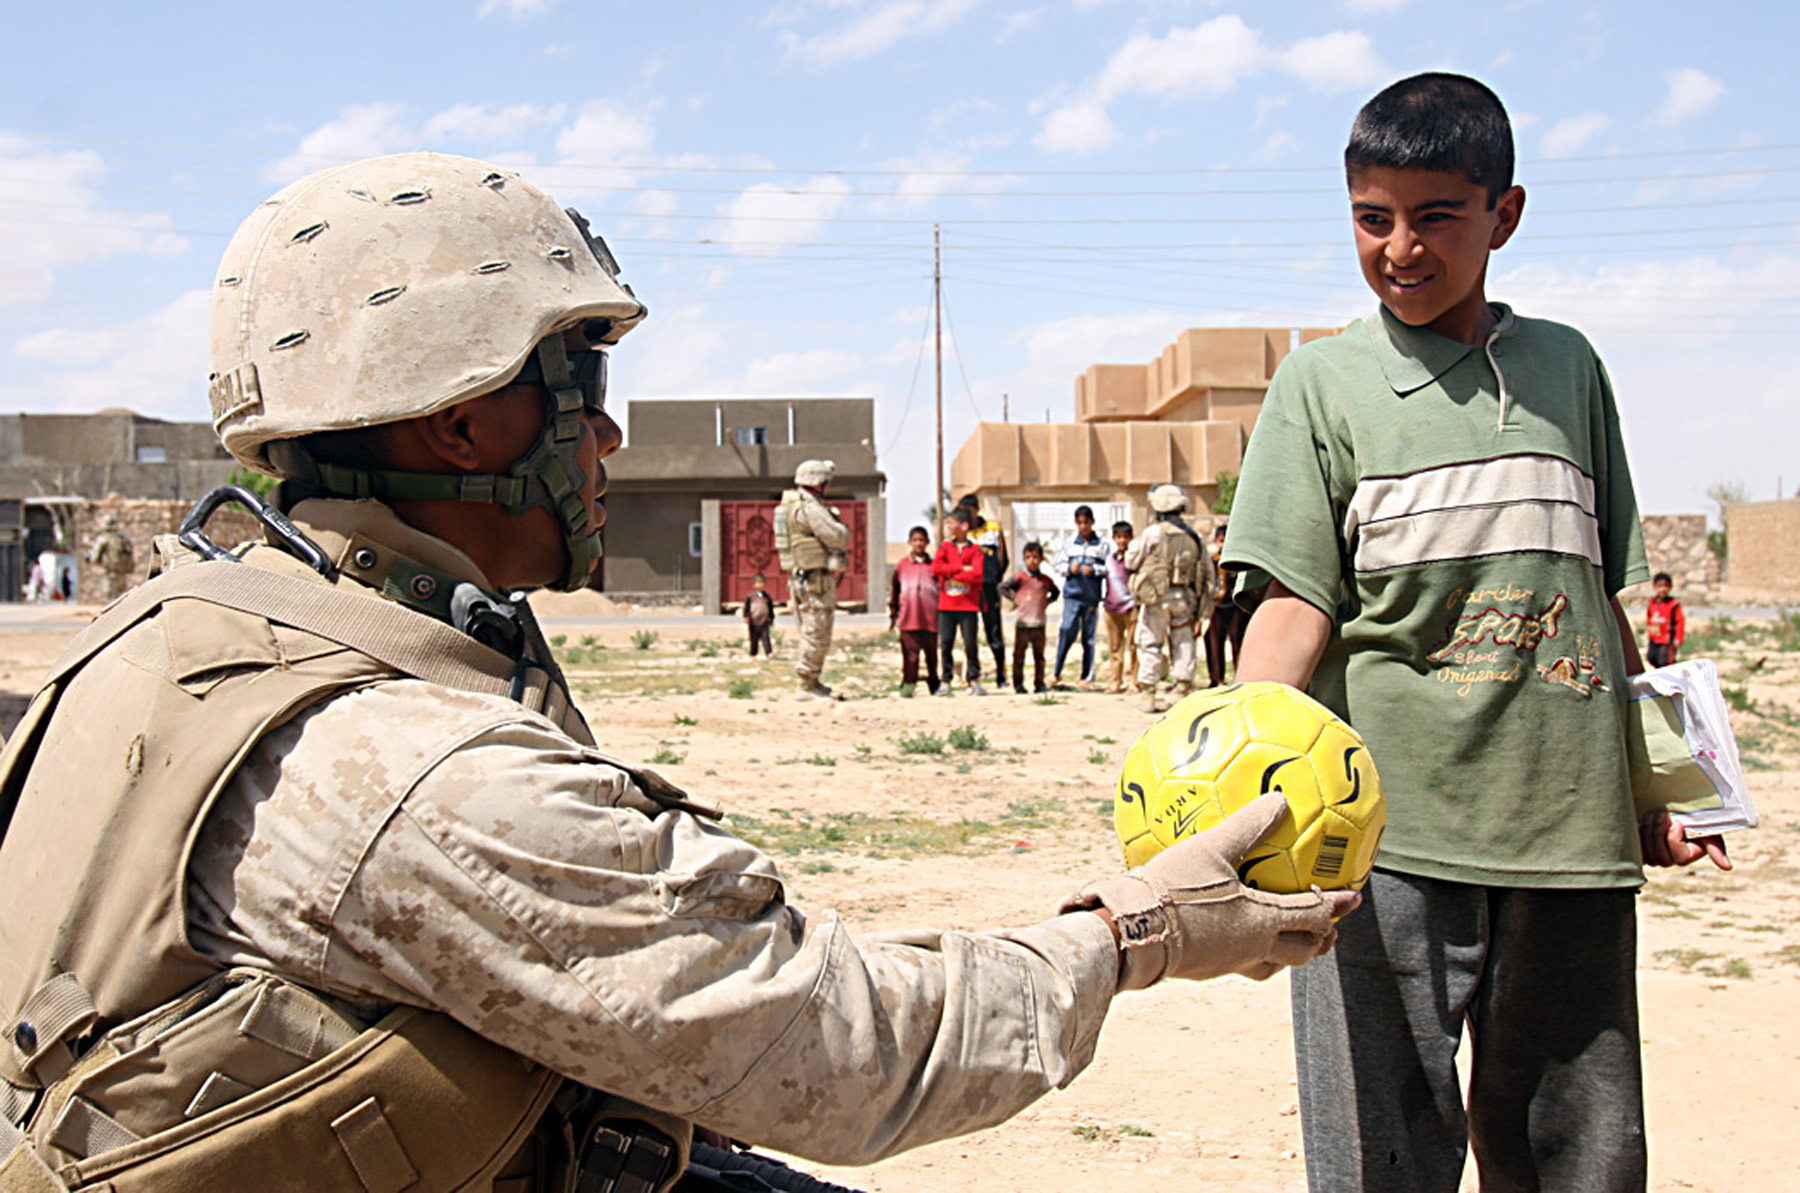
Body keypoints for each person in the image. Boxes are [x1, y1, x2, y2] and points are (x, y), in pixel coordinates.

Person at [0, 152, 1353, 1193]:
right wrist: (1134, 936)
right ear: (467, 419)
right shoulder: (415, 774)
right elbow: (843, 1053)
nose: (609, 430)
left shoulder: (175, 630)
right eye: (574, 377)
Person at [1221, 74, 1732, 1193]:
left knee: (1579, 1155)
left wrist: (1664, 790)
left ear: (1503, 215)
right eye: (1372, 218)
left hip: (1570, 833)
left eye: (1435, 217)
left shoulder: (1568, 369)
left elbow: (1606, 597)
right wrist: (1239, 776)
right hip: (1380, 841)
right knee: (1380, 1150)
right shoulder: (1321, 384)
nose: (1400, 247)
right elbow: (1295, 601)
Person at [1125, 486, 1214, 713]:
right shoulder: (1194, 536)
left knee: (1150, 642)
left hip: (1157, 596)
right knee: (1183, 641)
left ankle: (1149, 693)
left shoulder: (1153, 533)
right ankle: (1183, 688)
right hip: (1185, 597)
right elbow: (1206, 571)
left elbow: (1131, 560)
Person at [775, 458, 850, 699]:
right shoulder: (810, 508)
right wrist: (841, 529)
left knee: (815, 629)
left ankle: (813, 680)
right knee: (816, 630)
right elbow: (836, 537)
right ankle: (806, 684)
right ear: (816, 481)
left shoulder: (798, 504)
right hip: (813, 580)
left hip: (806, 578)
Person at [930, 506, 986, 695]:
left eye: (951, 522)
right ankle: (946, 679)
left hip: (968, 605)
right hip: (947, 604)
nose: (948, 525)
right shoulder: (944, 547)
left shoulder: (976, 550)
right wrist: (962, 568)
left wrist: (953, 572)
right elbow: (936, 568)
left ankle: (974, 678)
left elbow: (977, 575)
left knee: (970, 642)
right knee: (946, 642)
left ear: (964, 526)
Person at [1051, 505, 1107, 689]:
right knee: (1066, 630)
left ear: (1092, 522)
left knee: (1089, 637)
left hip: (1091, 597)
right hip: (1072, 595)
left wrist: (1095, 570)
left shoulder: (1101, 545)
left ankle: (1086, 677)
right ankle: (1056, 672)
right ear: (1076, 524)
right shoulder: (1070, 545)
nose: (1084, 526)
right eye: (1080, 523)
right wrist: (1069, 569)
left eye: (1087, 522)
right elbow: (1058, 565)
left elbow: (1110, 568)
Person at [955, 494, 1009, 683]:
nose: (965, 514)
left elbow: (1003, 558)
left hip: (989, 589)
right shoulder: (960, 534)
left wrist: (993, 578)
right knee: (969, 633)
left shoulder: (993, 529)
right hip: (968, 591)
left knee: (994, 632)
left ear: (977, 509)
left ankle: (1001, 675)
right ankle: (972, 674)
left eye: (968, 510)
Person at [998, 541, 1059, 694]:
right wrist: (1014, 599)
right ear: (1024, 559)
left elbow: (1056, 592)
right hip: (1023, 624)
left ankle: (1039, 683)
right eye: (1028, 557)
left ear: (1041, 559)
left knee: (1039, 656)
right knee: (1019, 655)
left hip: (1039, 624)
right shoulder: (1020, 577)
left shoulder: (1045, 580)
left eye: (1035, 557)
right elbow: (1002, 587)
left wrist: (1047, 601)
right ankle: (1018, 684)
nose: (1032, 560)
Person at [887, 525, 940, 696]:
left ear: (927, 543)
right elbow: (895, 591)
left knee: (931, 655)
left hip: (930, 619)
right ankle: (909, 685)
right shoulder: (902, 566)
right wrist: (894, 615)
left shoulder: (935, 566)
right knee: (910, 656)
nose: (919, 543)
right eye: (915, 540)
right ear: (910, 542)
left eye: (922, 540)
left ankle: (934, 684)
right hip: (909, 619)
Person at [1101, 520, 1139, 695]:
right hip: (1111, 607)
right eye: (1119, 537)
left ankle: (1134, 682)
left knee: (1134, 645)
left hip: (1131, 607)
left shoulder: (1134, 560)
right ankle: (1116, 681)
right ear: (1114, 538)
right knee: (1115, 647)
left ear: (1130, 538)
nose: (1122, 540)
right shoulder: (1109, 560)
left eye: (1125, 537)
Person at [1202, 524, 1242, 688]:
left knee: (1238, 642)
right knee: (1213, 641)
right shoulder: (1213, 561)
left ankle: (1241, 677)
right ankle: (1217, 679)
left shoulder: (1237, 562)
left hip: (1235, 607)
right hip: (1217, 607)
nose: (1223, 545)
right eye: (1221, 541)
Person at [85, 513, 136, 602]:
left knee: (110, 596)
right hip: (122, 571)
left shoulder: (103, 539)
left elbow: (95, 557)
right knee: (121, 596)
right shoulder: (123, 538)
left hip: (110, 571)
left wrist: (90, 558)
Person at [1645, 571, 1685, 668]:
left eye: (1666, 586)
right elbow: (1650, 617)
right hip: (1655, 638)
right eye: (1660, 586)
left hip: (1667, 641)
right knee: (1651, 658)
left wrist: (1678, 638)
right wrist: (1650, 630)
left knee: (1665, 662)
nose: (1663, 589)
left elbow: (1680, 622)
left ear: (1670, 587)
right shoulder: (1653, 603)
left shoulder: (1673, 604)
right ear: (1655, 587)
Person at [743, 572, 775, 658]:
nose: (762, 585)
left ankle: (769, 652)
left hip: (764, 621)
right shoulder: (750, 597)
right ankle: (753, 653)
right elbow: (746, 608)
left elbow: (770, 609)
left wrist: (771, 619)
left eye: (763, 583)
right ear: (754, 585)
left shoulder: (767, 597)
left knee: (766, 637)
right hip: (754, 621)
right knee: (753, 638)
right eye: (759, 582)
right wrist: (746, 617)